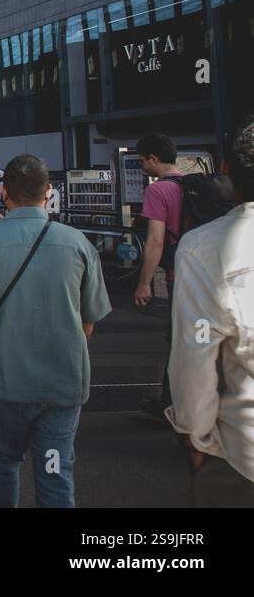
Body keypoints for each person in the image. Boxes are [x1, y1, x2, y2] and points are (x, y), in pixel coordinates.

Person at [0, 154, 111, 508]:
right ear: (48, 192)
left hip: (5, 383)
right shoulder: (78, 243)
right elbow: (89, 318)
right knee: (55, 470)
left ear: (4, 192)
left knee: (3, 461)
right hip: (64, 383)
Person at [167, 115, 254, 505]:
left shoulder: (203, 247)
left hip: (243, 452)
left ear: (225, 171)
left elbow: (196, 355)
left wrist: (195, 434)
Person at [132, 133, 185, 418]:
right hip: (201, 271)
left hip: (178, 275)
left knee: (178, 339)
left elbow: (155, 241)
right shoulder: (191, 184)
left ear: (154, 158)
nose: (142, 166)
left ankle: (171, 403)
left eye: (142, 161)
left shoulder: (157, 190)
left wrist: (143, 283)